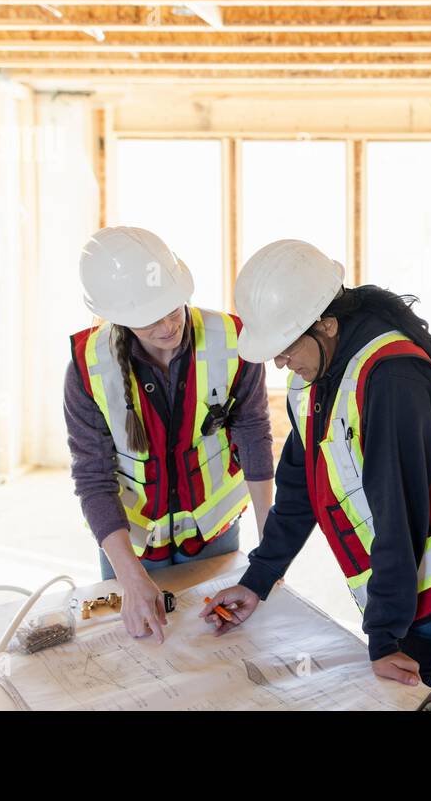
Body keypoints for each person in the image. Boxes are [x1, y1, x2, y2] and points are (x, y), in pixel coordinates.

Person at [201, 239, 431, 686]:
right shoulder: (318, 374)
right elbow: (299, 488)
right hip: (413, 581)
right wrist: (259, 579)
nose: (279, 362)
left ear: (327, 324)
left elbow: (398, 513)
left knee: (410, 697)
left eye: (286, 347)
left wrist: (385, 637)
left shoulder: (391, 380)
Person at [65, 226, 274, 643]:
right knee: (141, 652)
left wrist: (272, 545)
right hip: (131, 543)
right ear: (118, 317)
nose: (166, 326)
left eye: (171, 308)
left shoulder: (233, 341)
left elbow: (254, 435)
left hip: (213, 532)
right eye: (147, 319)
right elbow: (93, 478)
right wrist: (131, 577)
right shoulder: (88, 367)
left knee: (225, 646)